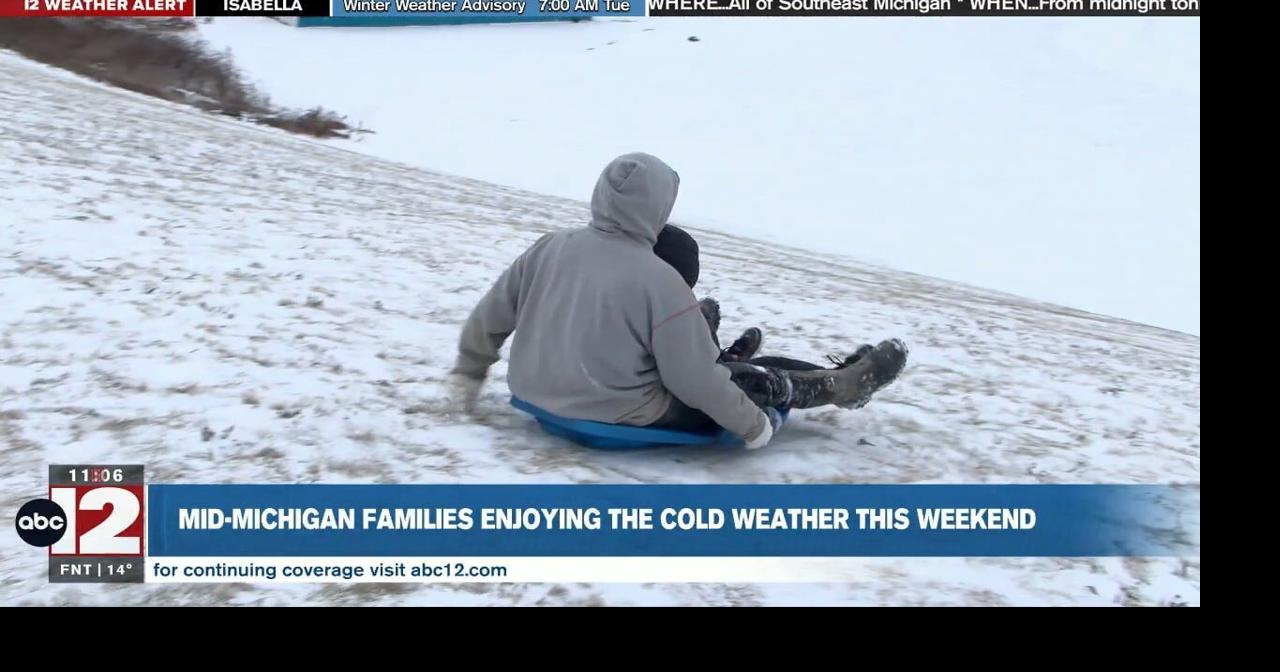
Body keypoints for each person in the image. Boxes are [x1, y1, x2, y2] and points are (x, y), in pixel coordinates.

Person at [448, 152, 907, 450]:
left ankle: (712, 338)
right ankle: (843, 386)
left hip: (537, 399)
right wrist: (753, 427)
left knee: (703, 354)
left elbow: (491, 315)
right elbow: (692, 380)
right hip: (618, 416)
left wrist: (468, 375)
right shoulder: (658, 280)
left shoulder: (550, 246)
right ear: (658, 208)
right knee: (751, 379)